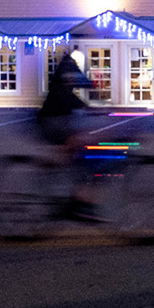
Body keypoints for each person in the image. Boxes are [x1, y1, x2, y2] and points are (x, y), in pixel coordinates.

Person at [36, 53, 100, 221]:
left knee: (75, 153)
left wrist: (90, 92)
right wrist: (88, 101)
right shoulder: (66, 67)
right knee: (81, 154)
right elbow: (71, 90)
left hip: (57, 120)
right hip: (51, 121)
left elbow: (81, 83)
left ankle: (51, 168)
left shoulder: (67, 67)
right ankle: (78, 203)